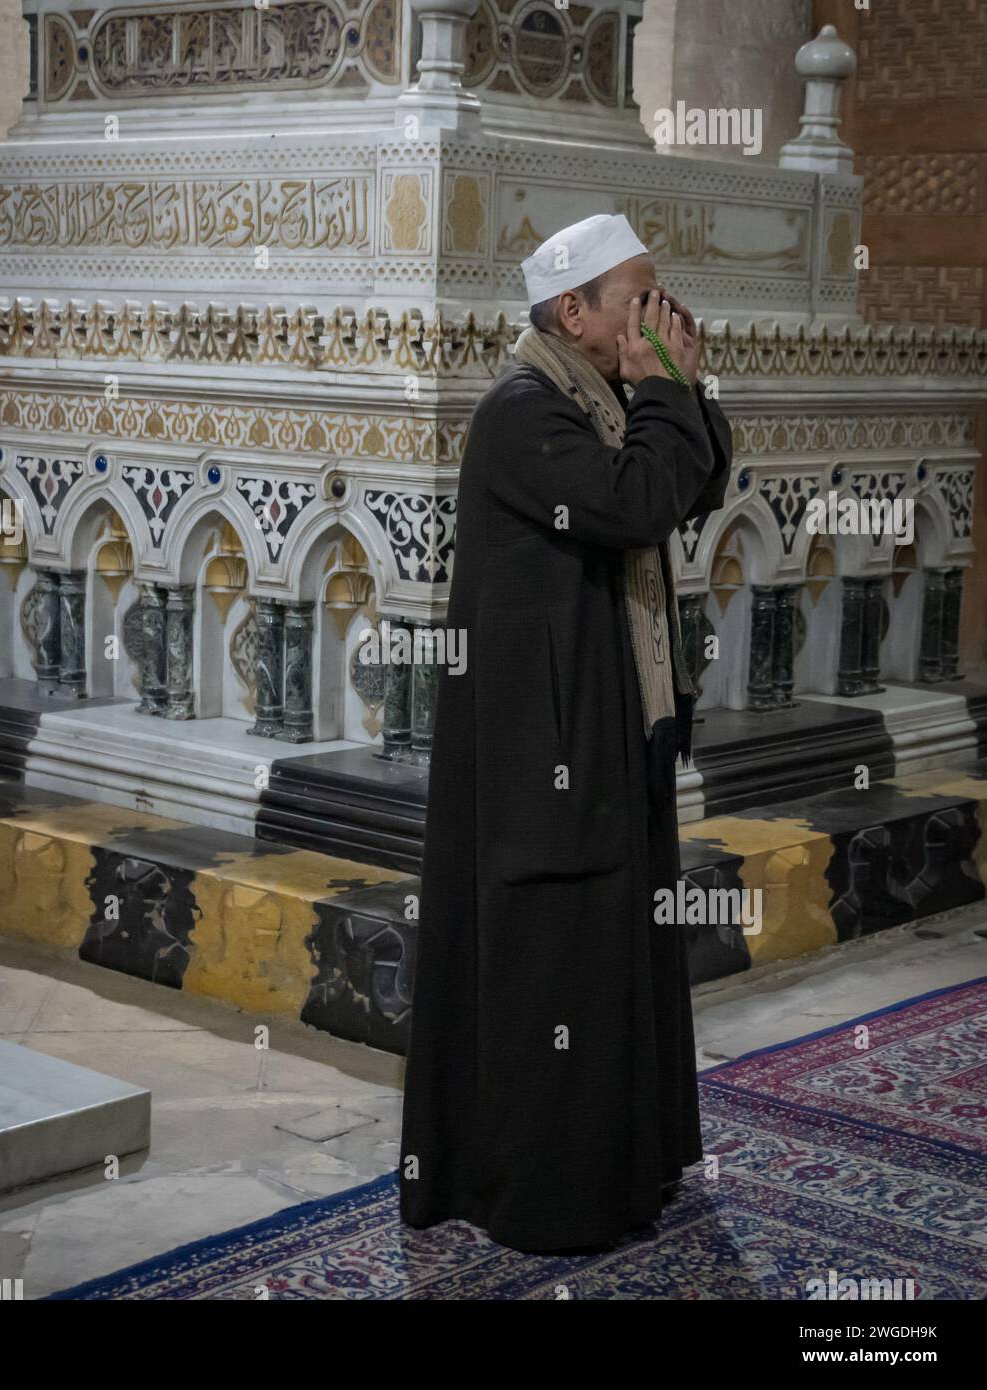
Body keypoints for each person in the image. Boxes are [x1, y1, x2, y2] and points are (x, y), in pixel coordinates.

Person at [398, 213, 733, 1253]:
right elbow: (634, 498)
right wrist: (667, 395)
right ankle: (545, 1194)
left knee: (612, 956)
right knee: (555, 967)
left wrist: (680, 385)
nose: (651, 311)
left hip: (601, 726)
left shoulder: (602, 401)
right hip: (543, 752)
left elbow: (692, 484)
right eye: (635, 295)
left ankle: (622, 1166)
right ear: (570, 310)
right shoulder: (521, 414)